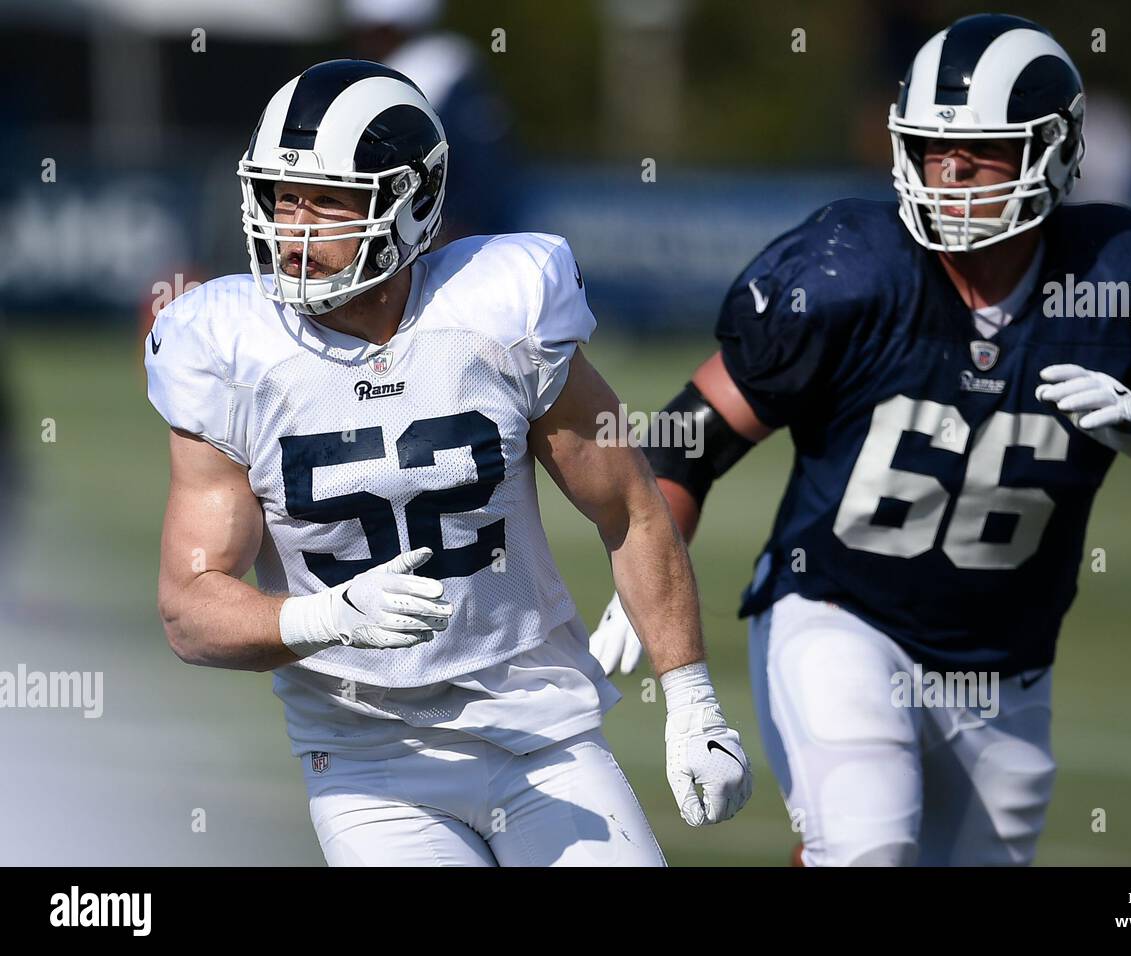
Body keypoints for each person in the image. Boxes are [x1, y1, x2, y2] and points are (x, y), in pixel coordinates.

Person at [588, 14, 1131, 866]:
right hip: (839, 614)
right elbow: (689, 436)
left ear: (1051, 151)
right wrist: (655, 555)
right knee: (866, 847)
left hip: (1007, 664)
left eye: (980, 151)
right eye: (930, 148)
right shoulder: (850, 269)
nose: (949, 173)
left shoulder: (1120, 277)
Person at [145, 59, 751, 867]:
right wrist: (325, 617)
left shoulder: (500, 310)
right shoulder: (226, 351)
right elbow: (190, 607)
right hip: (367, 760)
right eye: (280, 197)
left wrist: (692, 700)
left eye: (327, 199)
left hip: (539, 730)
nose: (292, 226)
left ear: (412, 200)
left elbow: (630, 508)